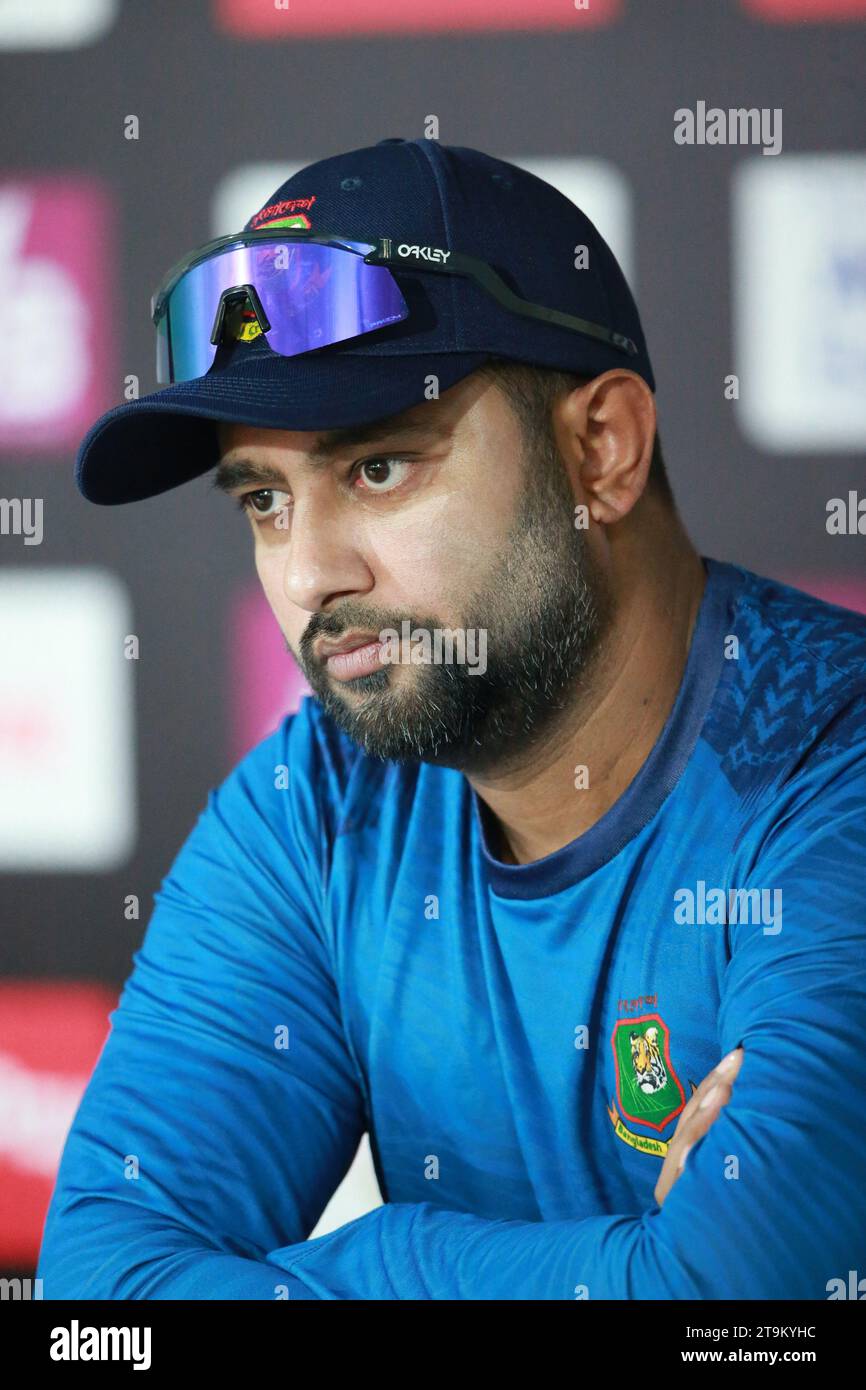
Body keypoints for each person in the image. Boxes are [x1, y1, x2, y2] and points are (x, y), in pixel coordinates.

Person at [38, 138, 866, 1299]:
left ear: (599, 450)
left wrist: (364, 1265)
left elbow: (744, 1312)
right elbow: (100, 1302)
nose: (308, 574)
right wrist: (470, 1259)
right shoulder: (310, 812)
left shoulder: (834, 770)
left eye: (377, 469)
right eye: (265, 500)